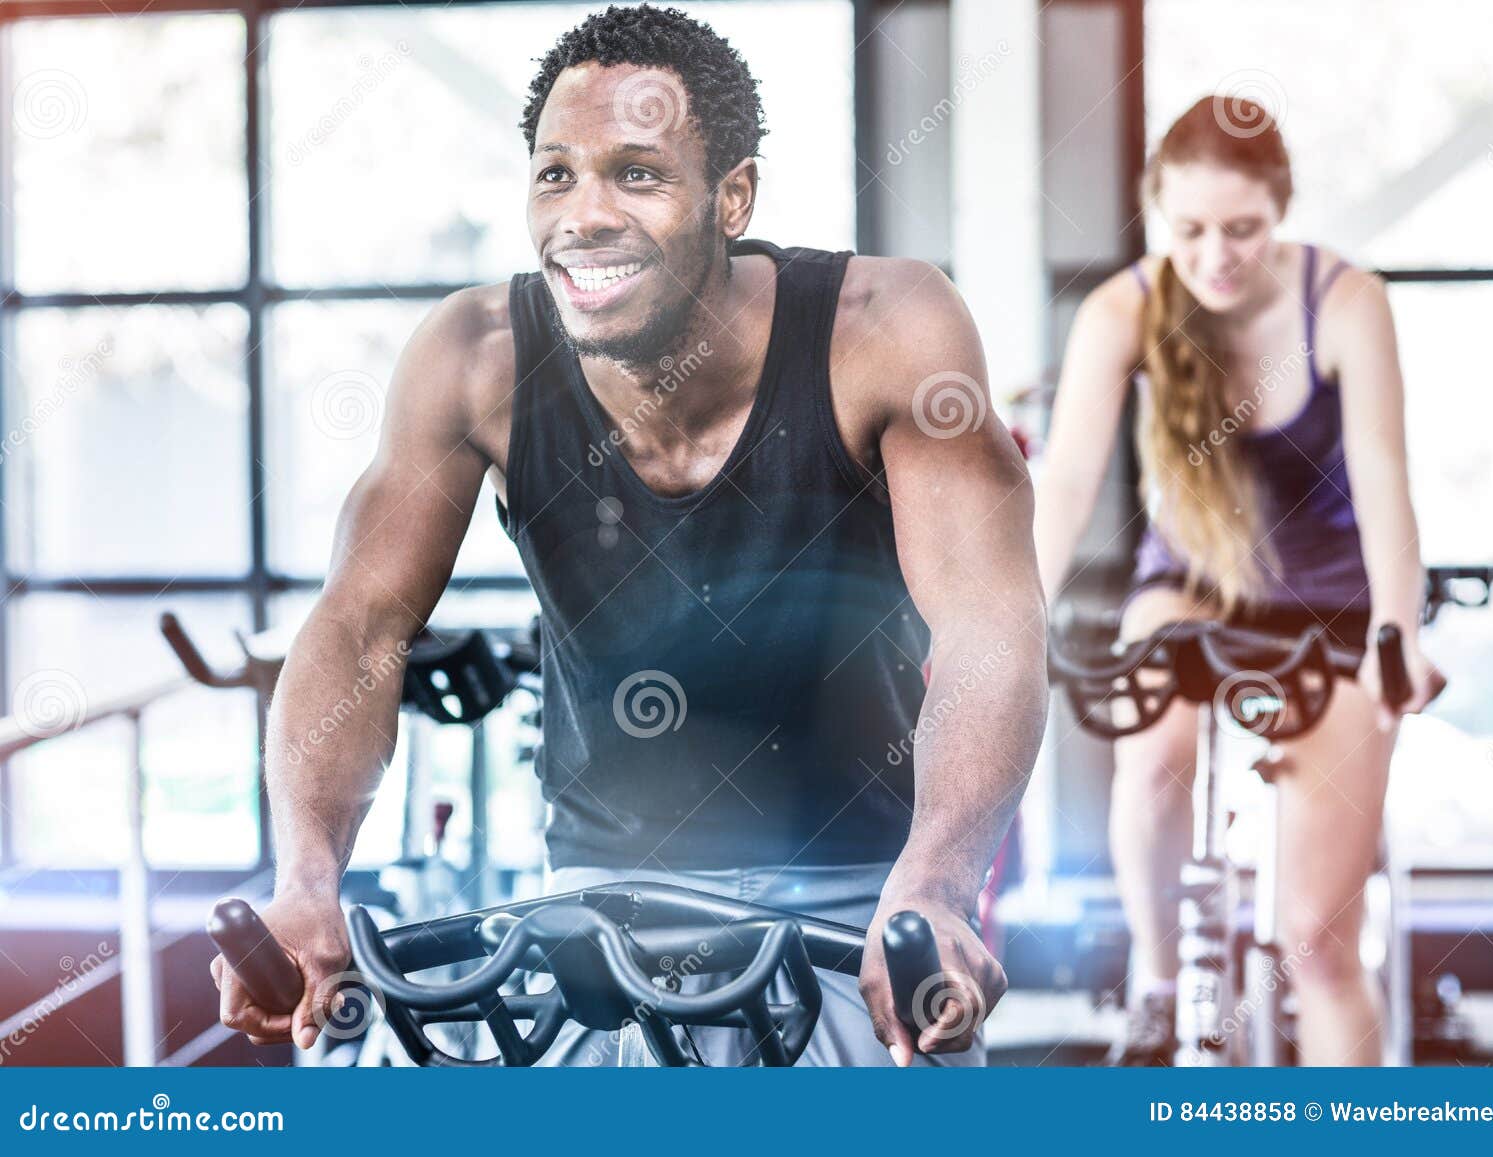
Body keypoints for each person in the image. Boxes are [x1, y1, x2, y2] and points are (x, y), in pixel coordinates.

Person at [210, 4, 1046, 1067]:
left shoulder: (884, 328)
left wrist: (937, 883)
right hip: (593, 918)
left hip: (856, 905)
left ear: (732, 197)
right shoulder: (474, 354)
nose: (585, 215)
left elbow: (988, 625)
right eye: (556, 175)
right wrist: (306, 878)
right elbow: (359, 624)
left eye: (637, 174)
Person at [1034, 95, 1444, 1066]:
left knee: (1317, 939)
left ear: (1282, 209)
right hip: (1192, 583)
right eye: (1189, 231)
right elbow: (1067, 485)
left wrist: (1398, 634)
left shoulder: (1344, 302)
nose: (1215, 256)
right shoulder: (1123, 308)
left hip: (1332, 605)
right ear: (1157, 214)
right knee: (1153, 757)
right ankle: (1159, 976)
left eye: (1243, 229)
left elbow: (1385, 482)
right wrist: (1006, 630)